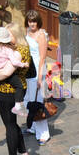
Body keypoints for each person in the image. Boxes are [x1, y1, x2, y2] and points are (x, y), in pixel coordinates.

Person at [0, 24, 30, 155]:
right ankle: (22, 151)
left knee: (9, 124)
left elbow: (5, 73)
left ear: (16, 35)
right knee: (13, 122)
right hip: (19, 89)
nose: (6, 39)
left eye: (9, 35)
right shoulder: (21, 48)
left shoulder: (18, 51)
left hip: (7, 91)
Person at [22, 10, 52, 145]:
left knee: (38, 103)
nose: (31, 23)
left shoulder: (41, 35)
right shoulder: (27, 32)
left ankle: (44, 134)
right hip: (28, 70)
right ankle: (33, 127)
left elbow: (42, 58)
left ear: (38, 21)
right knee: (28, 99)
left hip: (38, 70)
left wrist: (40, 78)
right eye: (29, 21)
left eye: (34, 21)